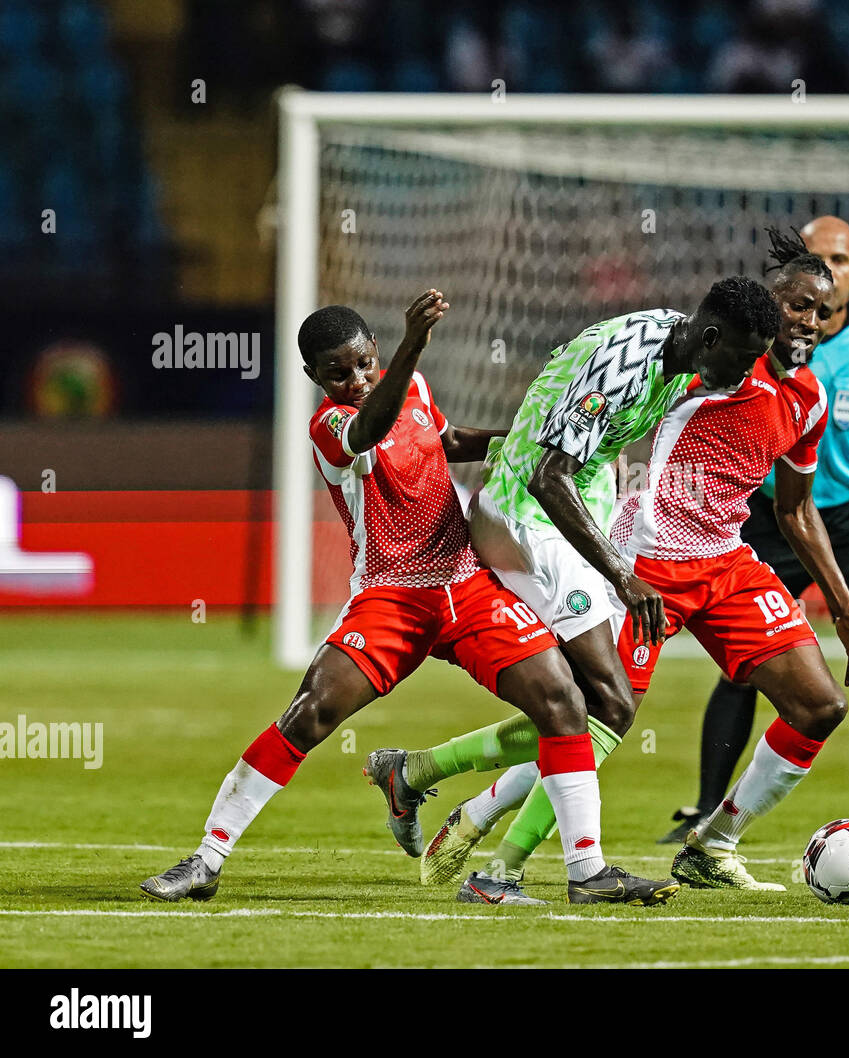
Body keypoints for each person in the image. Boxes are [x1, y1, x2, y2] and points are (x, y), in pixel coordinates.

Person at [140, 289, 676, 906]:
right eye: (339, 373)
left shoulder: (413, 389)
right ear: (315, 377)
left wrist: (524, 438)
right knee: (311, 712)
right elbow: (371, 427)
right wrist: (411, 344)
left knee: (561, 701)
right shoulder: (331, 427)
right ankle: (206, 860)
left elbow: (445, 442)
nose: (358, 379)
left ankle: (587, 872)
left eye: (365, 362)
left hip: (466, 584)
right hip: (391, 599)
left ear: (374, 351)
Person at [409, 235, 849, 903]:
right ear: (766, 307)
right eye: (795, 306)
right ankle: (485, 833)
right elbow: (603, 410)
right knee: (599, 720)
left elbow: (796, 511)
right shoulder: (707, 366)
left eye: (823, 311)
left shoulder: (808, 399)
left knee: (820, 706)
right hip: (643, 556)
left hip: (726, 562)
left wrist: (846, 612)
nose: (808, 322)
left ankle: (715, 843)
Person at [661, 216, 849, 848]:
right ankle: (705, 809)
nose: (813, 310)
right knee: (741, 669)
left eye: (840, 261)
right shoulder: (750, 346)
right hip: (766, 515)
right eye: (815, 264)